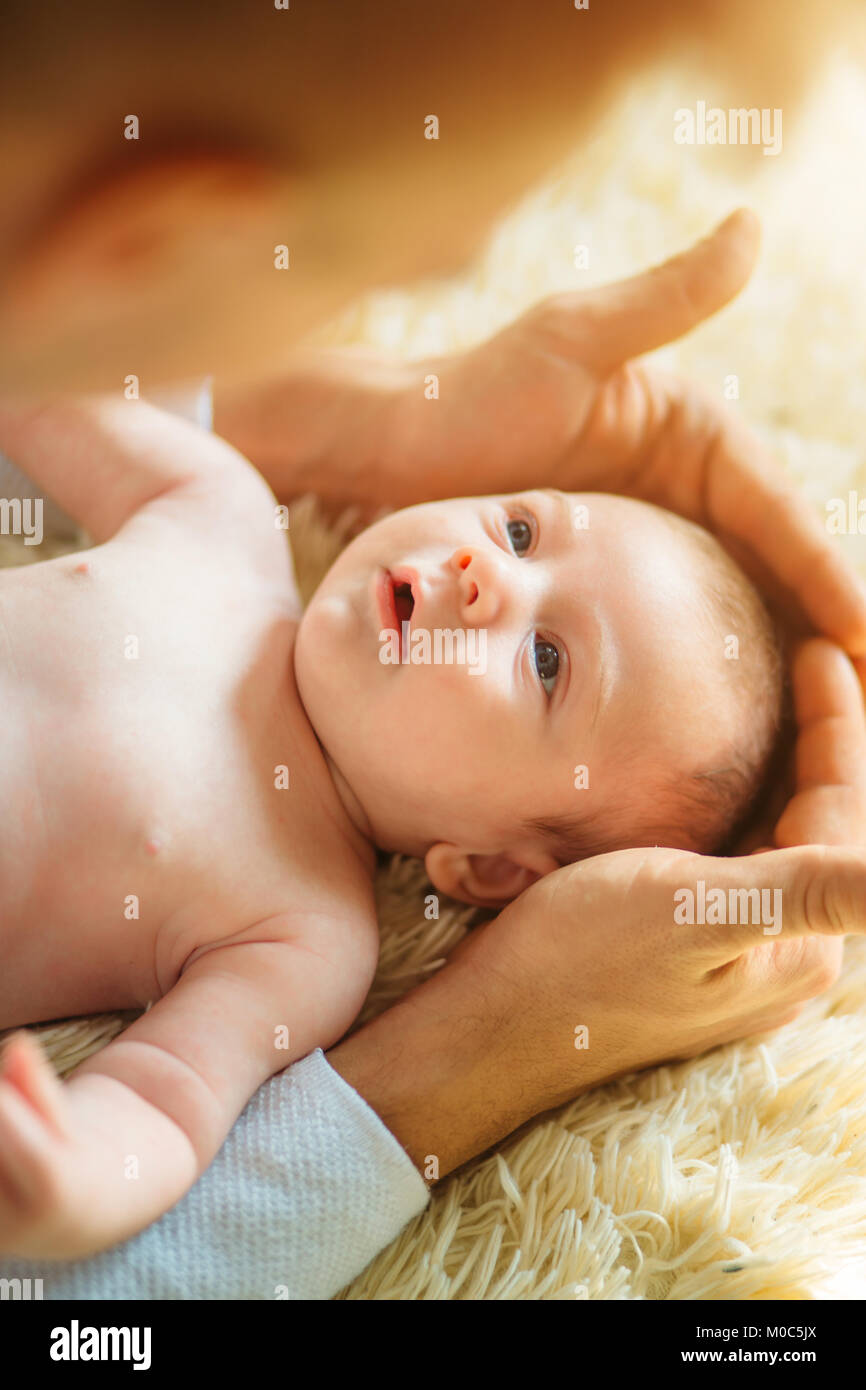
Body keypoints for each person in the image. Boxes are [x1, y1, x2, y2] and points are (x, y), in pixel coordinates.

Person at [0, 0, 864, 1296]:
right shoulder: (217, 508)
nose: (480, 569)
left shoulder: (303, 933)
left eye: (548, 661)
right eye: (521, 526)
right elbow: (46, 365)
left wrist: (70, 1180)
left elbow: (171, 1101)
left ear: (488, 866)